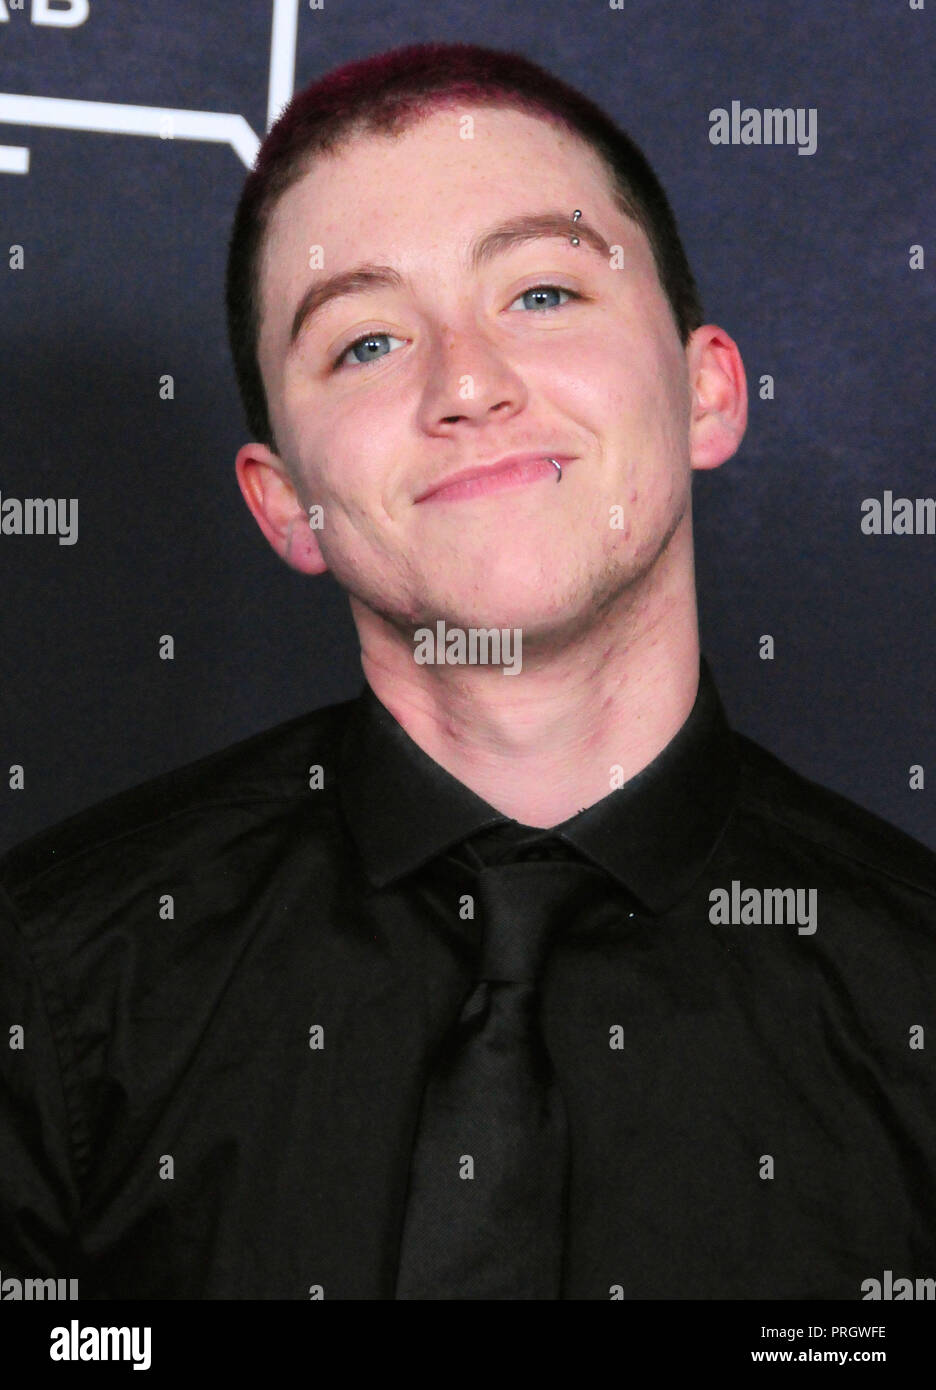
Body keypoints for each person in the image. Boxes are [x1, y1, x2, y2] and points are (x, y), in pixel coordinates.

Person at [1, 41, 934, 1302]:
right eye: (367, 342)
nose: (468, 383)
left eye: (542, 293)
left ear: (708, 391)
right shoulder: (51, 984)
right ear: (285, 508)